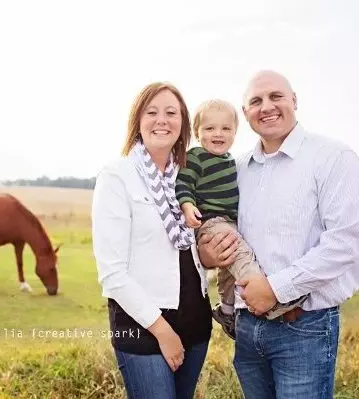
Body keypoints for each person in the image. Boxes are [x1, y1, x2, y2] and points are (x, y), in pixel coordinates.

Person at [197, 70, 359, 398]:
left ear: (294, 101)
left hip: (305, 327)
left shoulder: (333, 157)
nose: (266, 106)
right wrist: (207, 254)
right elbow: (215, 226)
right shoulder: (236, 169)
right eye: (255, 101)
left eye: (276, 96)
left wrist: (275, 290)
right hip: (245, 327)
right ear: (245, 114)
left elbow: (345, 242)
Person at [92, 82, 213, 399]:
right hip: (143, 326)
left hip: (196, 322)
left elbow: (196, 250)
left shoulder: (189, 176)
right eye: (152, 112)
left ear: (183, 124)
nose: (163, 120)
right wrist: (162, 331)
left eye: (171, 113)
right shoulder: (117, 176)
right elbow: (112, 273)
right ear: (138, 121)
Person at [175, 99, 305, 339]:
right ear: (197, 132)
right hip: (210, 221)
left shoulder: (231, 161)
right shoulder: (196, 156)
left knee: (229, 269)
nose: (218, 134)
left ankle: (227, 310)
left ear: (235, 132)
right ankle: (269, 298)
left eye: (226, 129)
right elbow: (184, 182)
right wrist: (187, 205)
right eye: (210, 128)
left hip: (228, 221)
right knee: (239, 252)